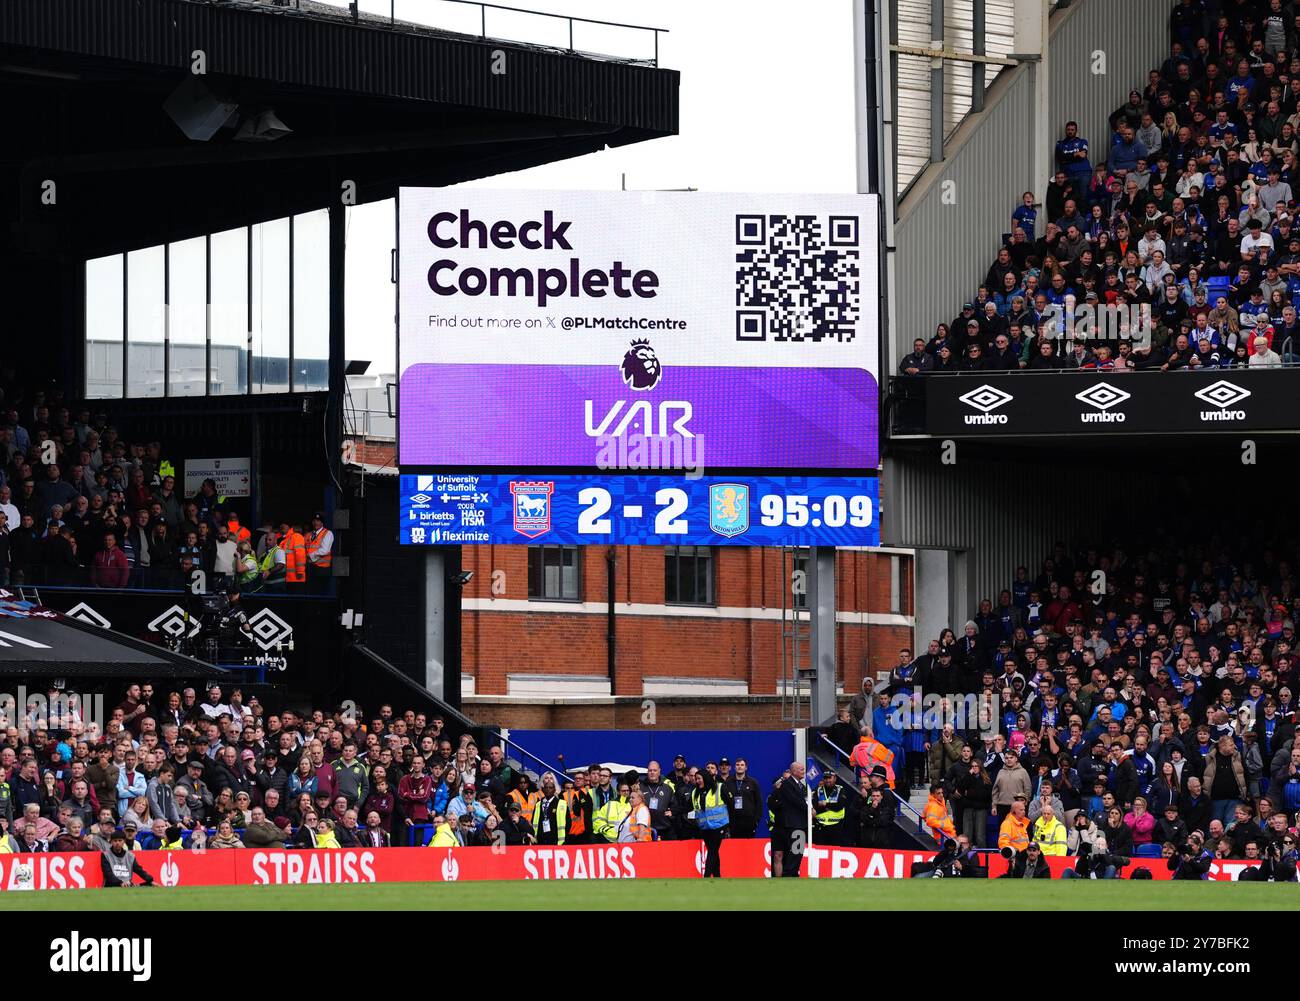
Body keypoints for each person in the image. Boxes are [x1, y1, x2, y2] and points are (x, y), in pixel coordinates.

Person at [776, 761, 809, 877]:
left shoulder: (801, 785)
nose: (803, 771)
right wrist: (810, 809)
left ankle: (793, 872)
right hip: (794, 823)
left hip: (801, 822)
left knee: (798, 850)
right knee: (796, 850)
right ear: (794, 771)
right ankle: (789, 873)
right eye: (801, 769)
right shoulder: (787, 784)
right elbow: (797, 801)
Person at [813, 770, 848, 846]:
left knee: (835, 851)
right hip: (821, 826)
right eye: (825, 778)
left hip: (836, 826)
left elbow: (839, 805)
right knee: (820, 851)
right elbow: (815, 806)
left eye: (829, 778)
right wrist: (831, 806)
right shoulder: (818, 790)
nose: (827, 780)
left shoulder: (840, 789)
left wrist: (825, 804)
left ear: (835, 778)